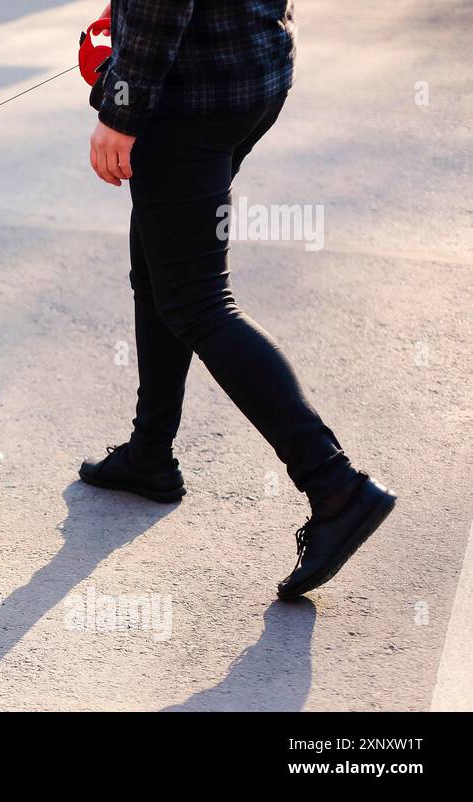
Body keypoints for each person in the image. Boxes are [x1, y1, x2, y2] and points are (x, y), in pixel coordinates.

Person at [77, 0, 396, 600]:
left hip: (190, 97)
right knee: (164, 266)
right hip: (250, 69)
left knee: (197, 299)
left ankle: (336, 487)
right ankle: (151, 452)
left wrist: (121, 107)